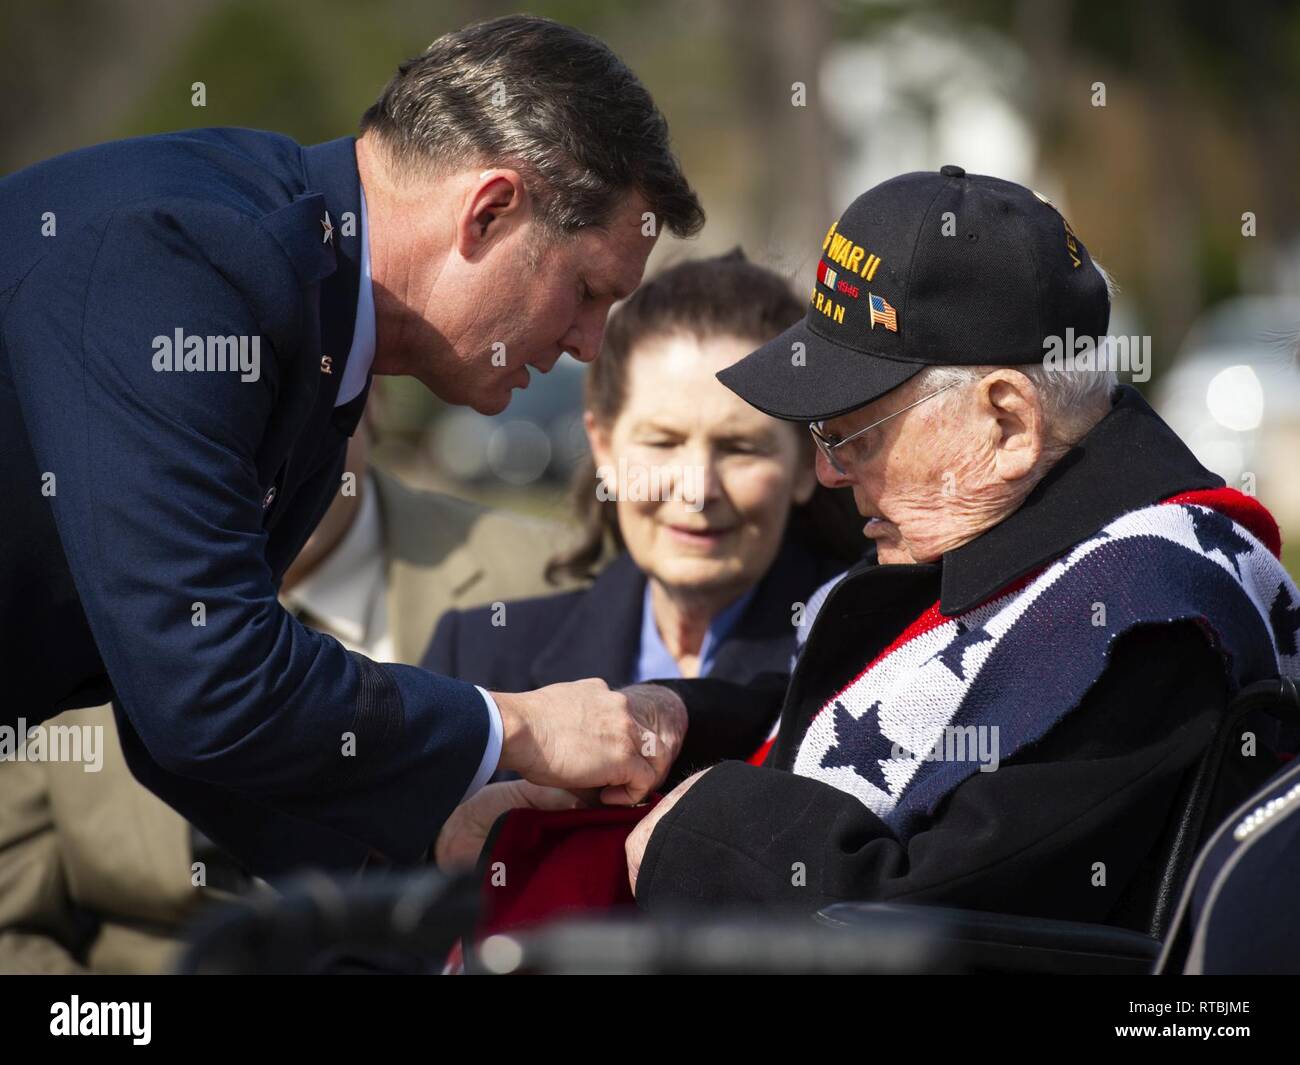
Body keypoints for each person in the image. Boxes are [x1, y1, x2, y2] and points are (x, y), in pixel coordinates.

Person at [443, 167, 1300, 933]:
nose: (824, 469)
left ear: (1005, 421)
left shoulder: (1142, 612)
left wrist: (705, 821)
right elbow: (874, 719)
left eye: (853, 433)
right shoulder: (1020, 526)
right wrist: (676, 727)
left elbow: (934, 915)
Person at [0, 15, 700, 878]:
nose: (589, 344)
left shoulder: (303, 288)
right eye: (588, 290)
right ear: (489, 211)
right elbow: (205, 682)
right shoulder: (186, 260)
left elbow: (178, 714)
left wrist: (426, 841)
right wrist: (520, 725)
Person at [0, 409, 580, 973]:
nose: (249, 450)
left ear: (366, 397)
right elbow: (13, 927)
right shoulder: (61, 599)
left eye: (284, 401)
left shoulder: (545, 574)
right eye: (214, 418)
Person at [424, 253, 866, 775]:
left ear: (802, 465)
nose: (698, 490)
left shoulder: (868, 660)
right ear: (604, 448)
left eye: (741, 448)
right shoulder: (482, 659)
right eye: (663, 441)